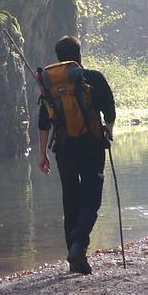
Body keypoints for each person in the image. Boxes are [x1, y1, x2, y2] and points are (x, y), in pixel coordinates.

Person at [36, 35, 116, 275]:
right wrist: (108, 132)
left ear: (59, 58)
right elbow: (110, 111)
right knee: (91, 198)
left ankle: (73, 252)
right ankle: (79, 245)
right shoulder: (94, 78)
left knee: (70, 198)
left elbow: (43, 123)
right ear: (79, 56)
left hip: (64, 150)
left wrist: (42, 154)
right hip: (91, 146)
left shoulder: (50, 86)